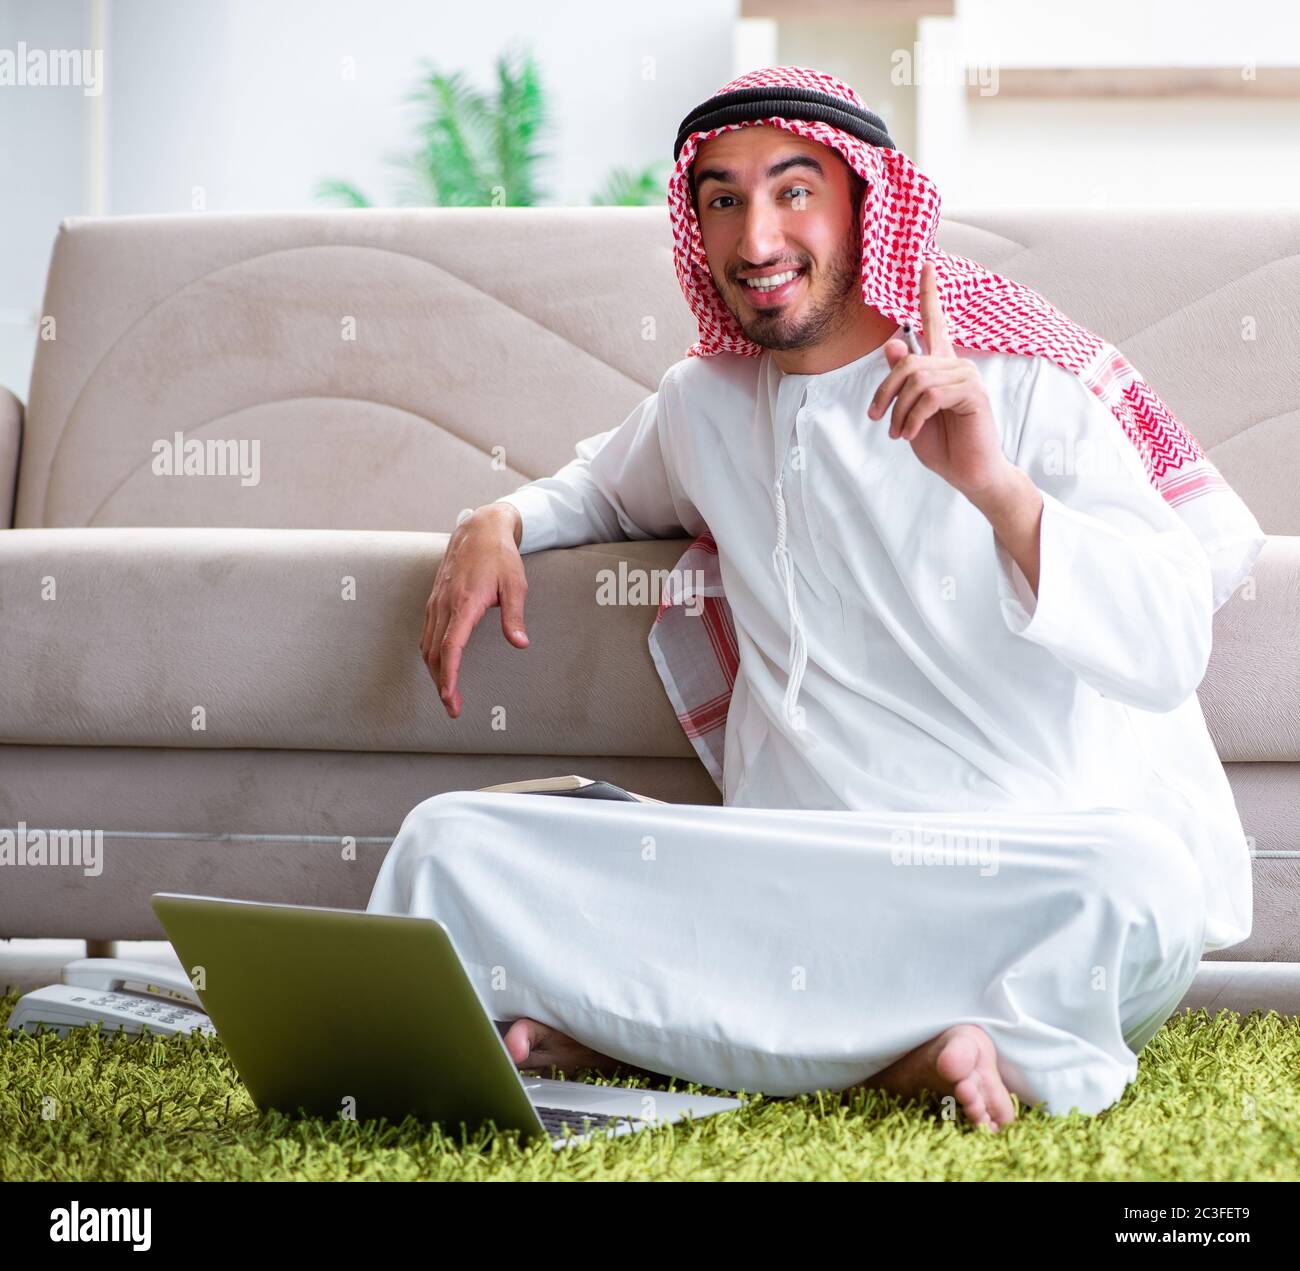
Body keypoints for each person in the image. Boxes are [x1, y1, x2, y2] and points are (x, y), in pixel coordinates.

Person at [366, 68, 1261, 1131]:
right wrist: (498, 519)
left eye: (795, 191)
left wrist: (993, 484)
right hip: (797, 881)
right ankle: (911, 1050)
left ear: (866, 206)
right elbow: (600, 486)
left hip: (1009, 877)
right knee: (450, 842)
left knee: (1137, 878)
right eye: (724, 200)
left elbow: (1166, 645)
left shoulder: (1021, 388)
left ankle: (651, 1032)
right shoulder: (704, 403)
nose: (756, 239)